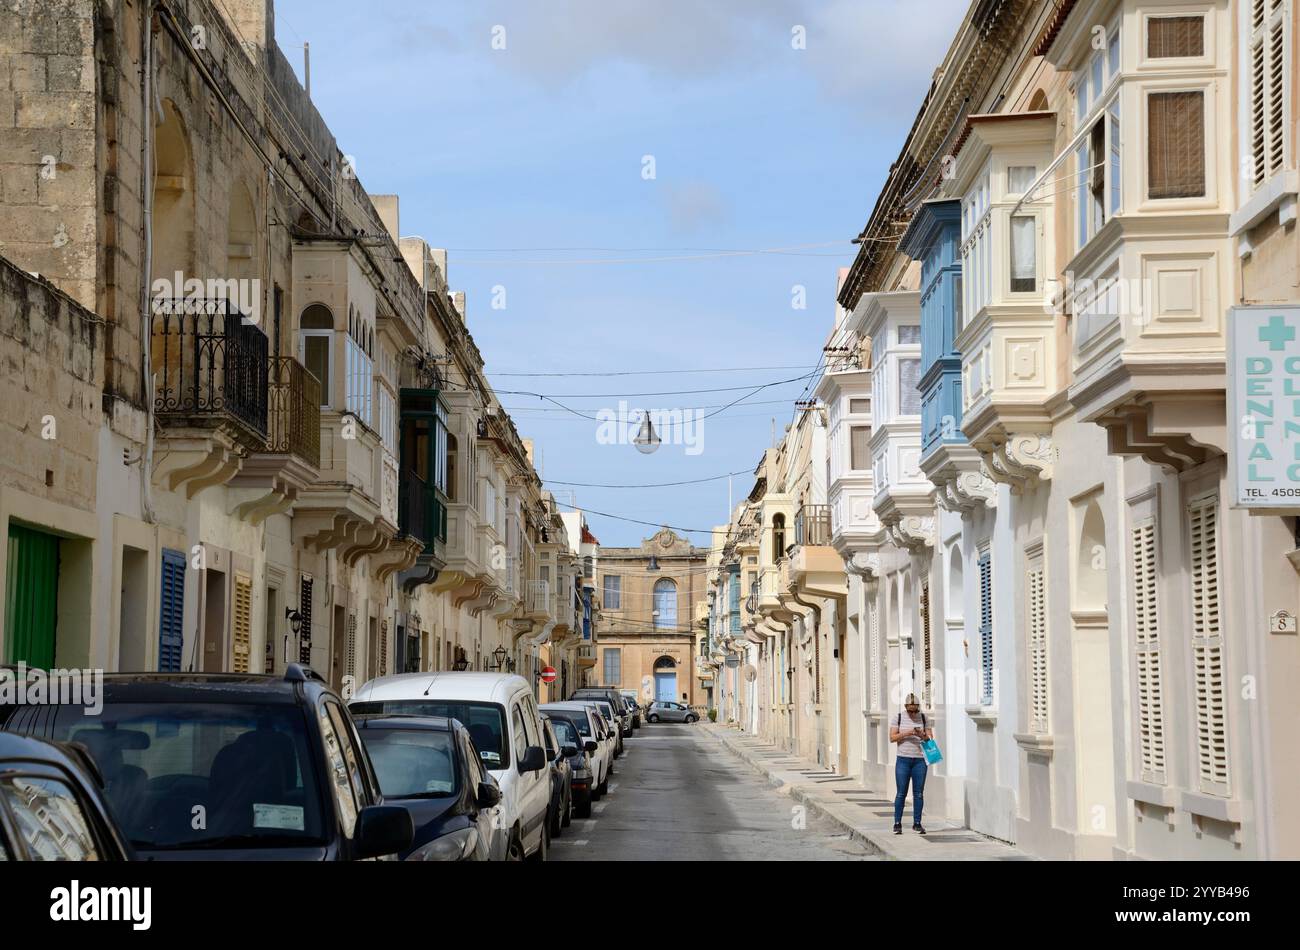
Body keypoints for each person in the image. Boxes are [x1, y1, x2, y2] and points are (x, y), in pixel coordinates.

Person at [890, 693, 933, 835]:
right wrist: (908, 733)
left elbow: (930, 739)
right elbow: (892, 737)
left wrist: (921, 734)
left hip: (920, 760)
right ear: (906, 707)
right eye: (911, 710)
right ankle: (897, 823)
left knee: (918, 793)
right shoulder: (899, 717)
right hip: (903, 759)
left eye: (915, 710)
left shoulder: (924, 718)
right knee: (901, 793)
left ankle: (917, 823)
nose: (913, 713)